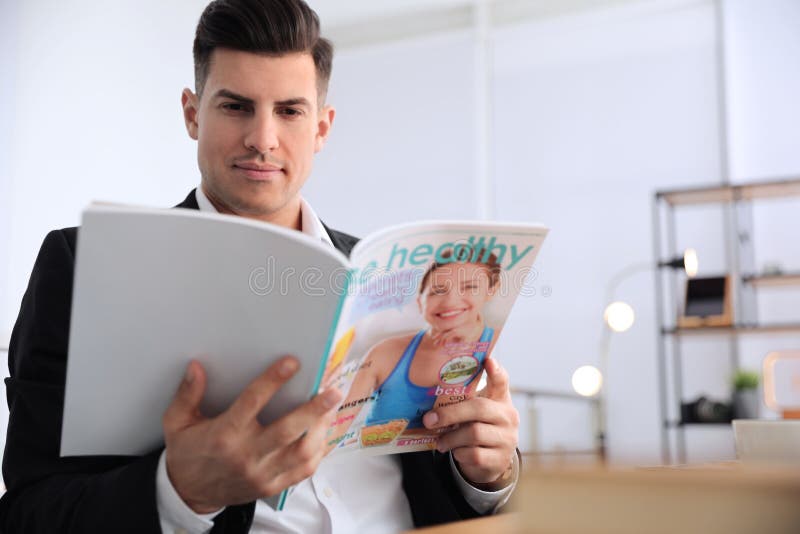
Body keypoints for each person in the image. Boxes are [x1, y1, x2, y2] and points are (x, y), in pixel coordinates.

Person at [0, 1, 521, 532]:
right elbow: (28, 513)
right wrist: (178, 492)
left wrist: (486, 474)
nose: (263, 139)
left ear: (321, 128)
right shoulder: (89, 267)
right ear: (192, 114)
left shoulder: (396, 279)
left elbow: (440, 479)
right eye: (236, 106)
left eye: (290, 111)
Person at [330, 249, 503, 449]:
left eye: (470, 287)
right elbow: (337, 430)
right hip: (371, 462)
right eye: (437, 291)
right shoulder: (386, 352)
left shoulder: (495, 342)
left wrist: (464, 350)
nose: (450, 301)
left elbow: (444, 430)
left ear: (492, 290)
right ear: (420, 302)